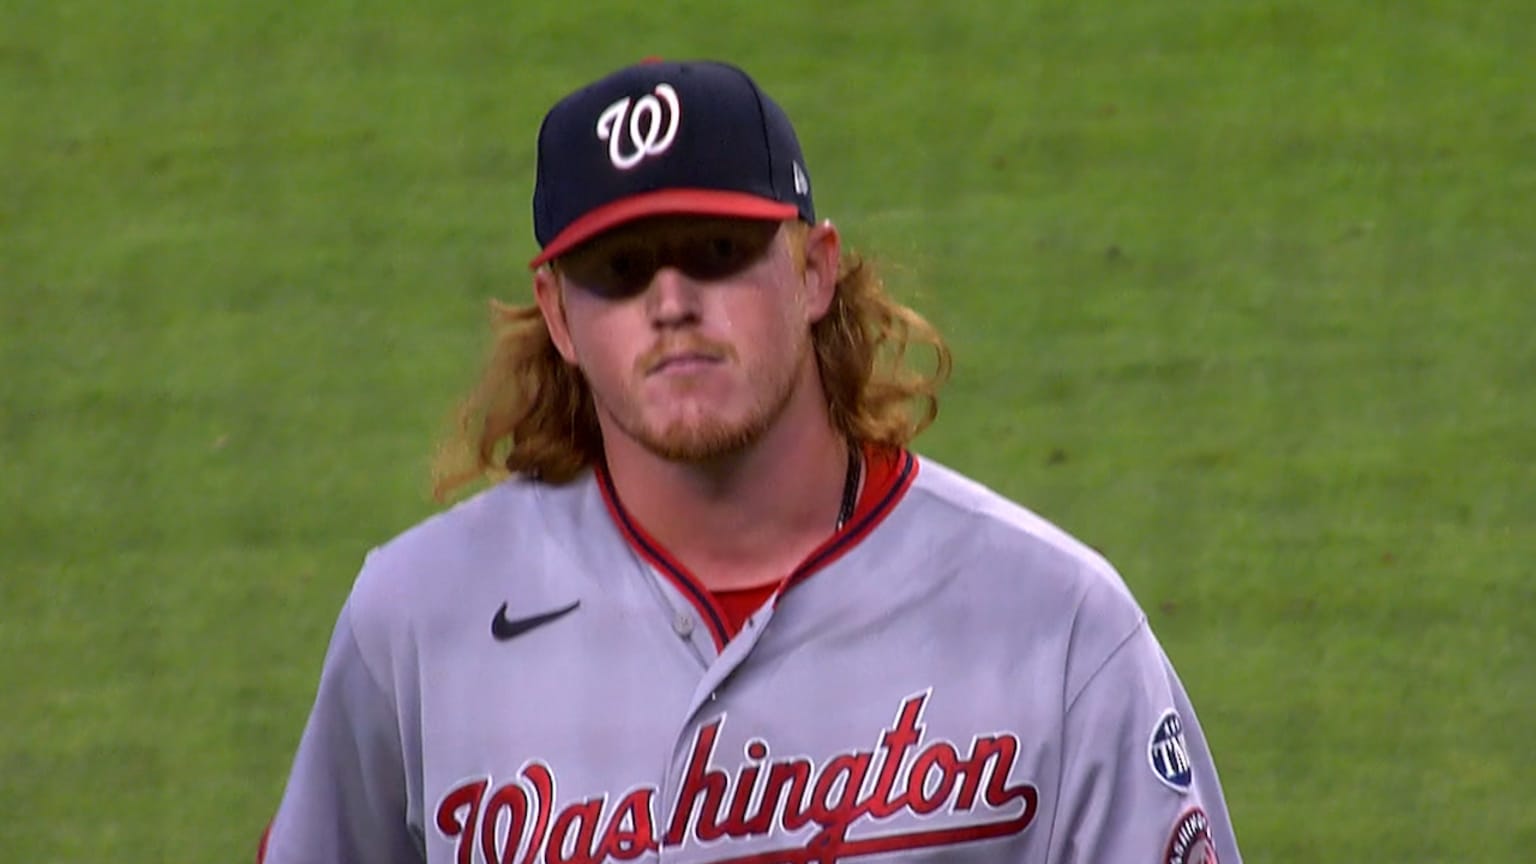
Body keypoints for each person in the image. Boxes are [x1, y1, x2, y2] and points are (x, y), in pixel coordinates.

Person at [260, 58, 1242, 864]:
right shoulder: (419, 619)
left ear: (816, 270)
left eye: (718, 250)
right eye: (619, 270)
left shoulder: (1054, 621)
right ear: (558, 314)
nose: (672, 298)